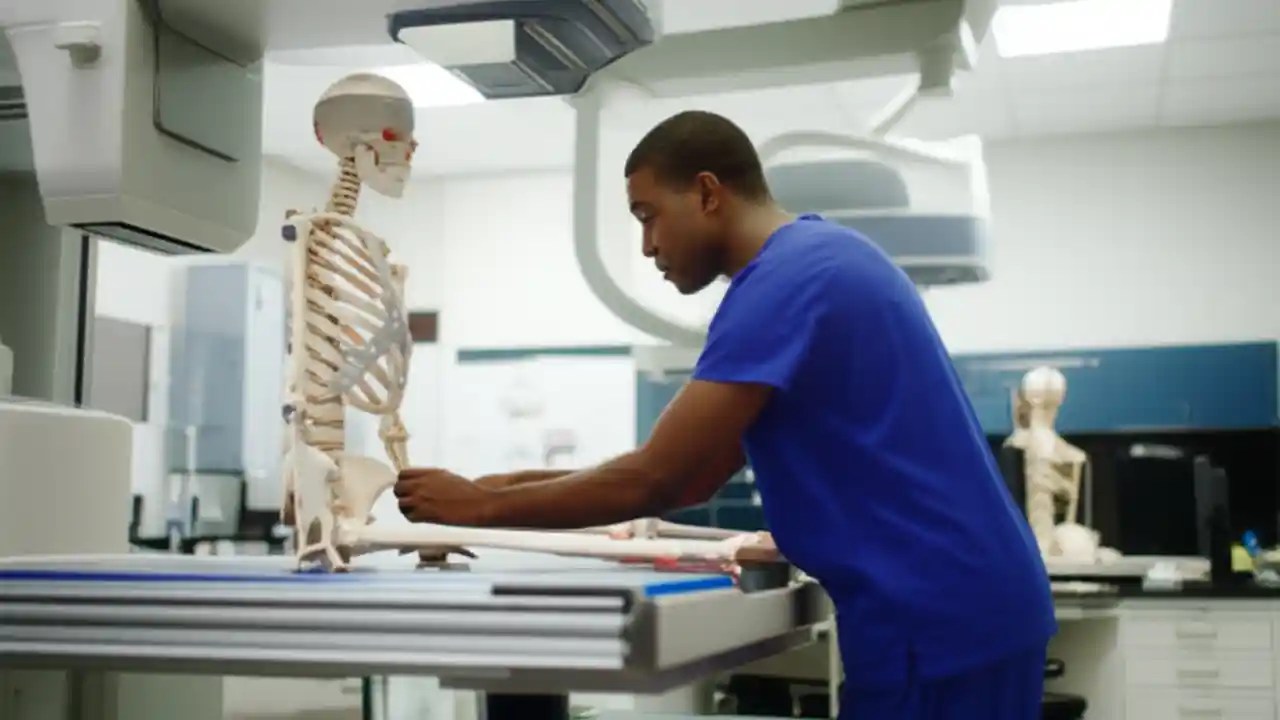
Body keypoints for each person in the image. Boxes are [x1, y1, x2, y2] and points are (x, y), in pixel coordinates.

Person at [394, 110, 1056, 718]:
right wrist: (489, 488)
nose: (648, 243)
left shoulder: (784, 282)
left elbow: (663, 479)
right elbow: (699, 468)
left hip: (936, 621)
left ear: (708, 193)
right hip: (964, 607)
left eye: (649, 215)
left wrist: (479, 511)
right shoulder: (821, 259)